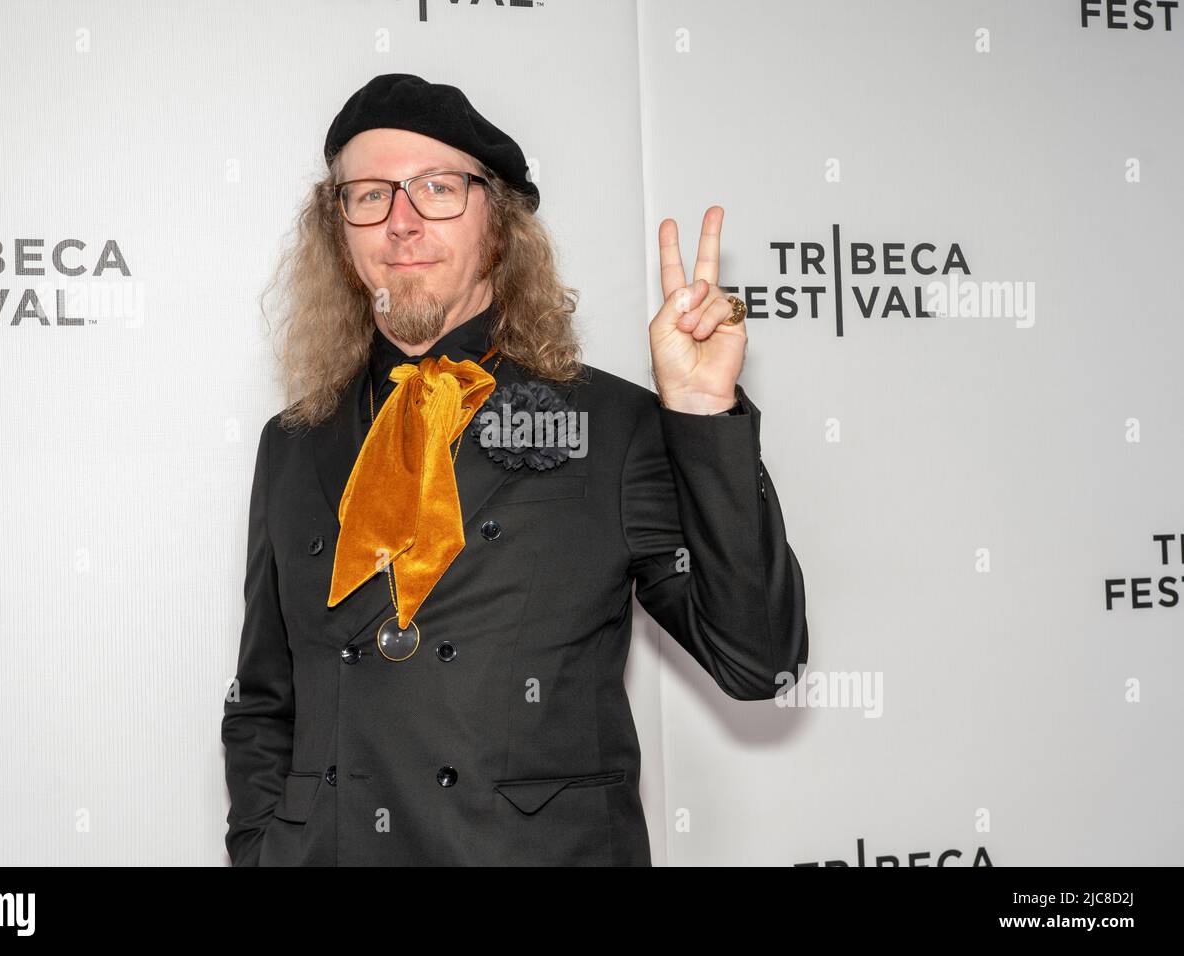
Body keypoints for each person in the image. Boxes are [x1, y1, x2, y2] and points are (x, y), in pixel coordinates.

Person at [221, 73, 808, 866]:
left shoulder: (612, 427)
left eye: (436, 188)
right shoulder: (294, 443)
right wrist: (263, 849)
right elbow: (266, 701)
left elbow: (758, 660)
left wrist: (703, 414)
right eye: (367, 196)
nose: (400, 222)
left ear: (498, 224)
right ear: (339, 232)